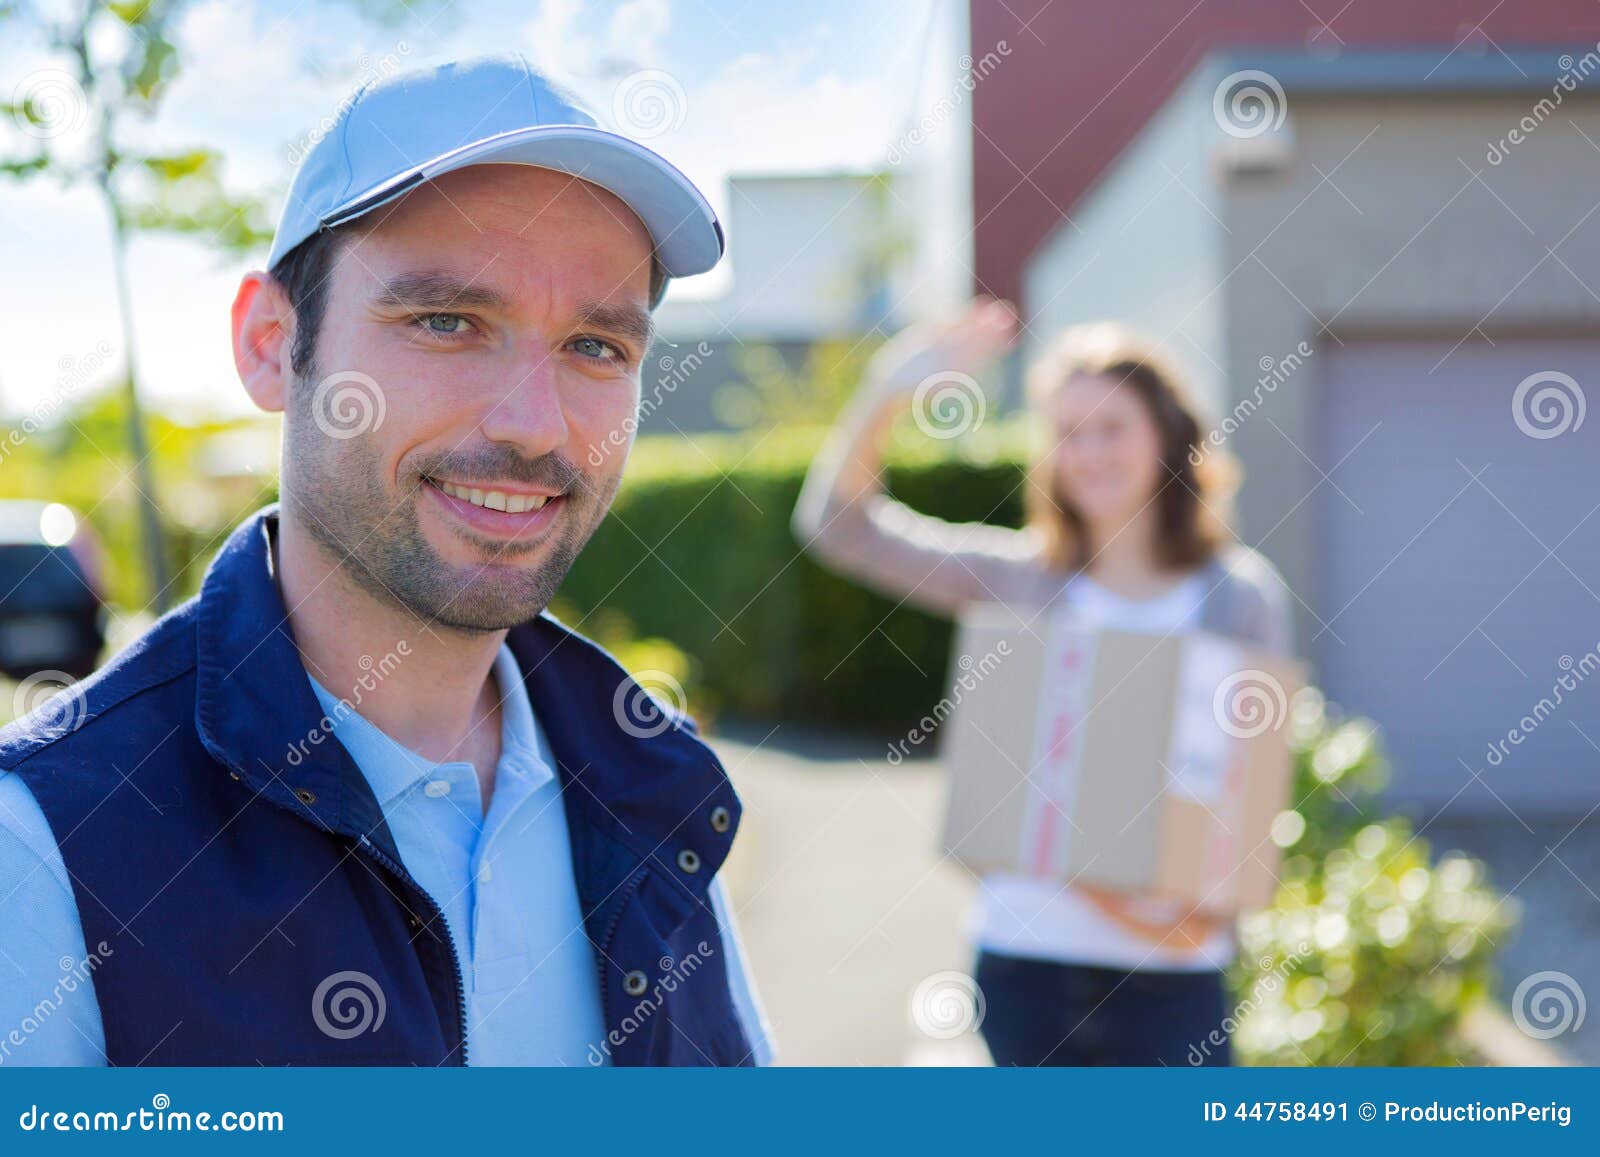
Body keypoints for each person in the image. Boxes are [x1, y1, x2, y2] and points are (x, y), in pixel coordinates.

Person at [0, 55, 770, 1068]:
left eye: (596, 346)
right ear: (271, 344)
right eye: (447, 322)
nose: (535, 426)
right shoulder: (48, 842)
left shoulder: (651, 785)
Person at [793, 300, 1292, 1066]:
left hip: (1175, 975)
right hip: (1028, 969)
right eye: (1068, 432)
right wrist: (887, 389)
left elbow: (1252, 792)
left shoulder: (1239, 596)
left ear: (1168, 435)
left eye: (1112, 427)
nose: (1089, 451)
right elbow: (838, 527)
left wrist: (1172, 909)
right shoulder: (1019, 580)